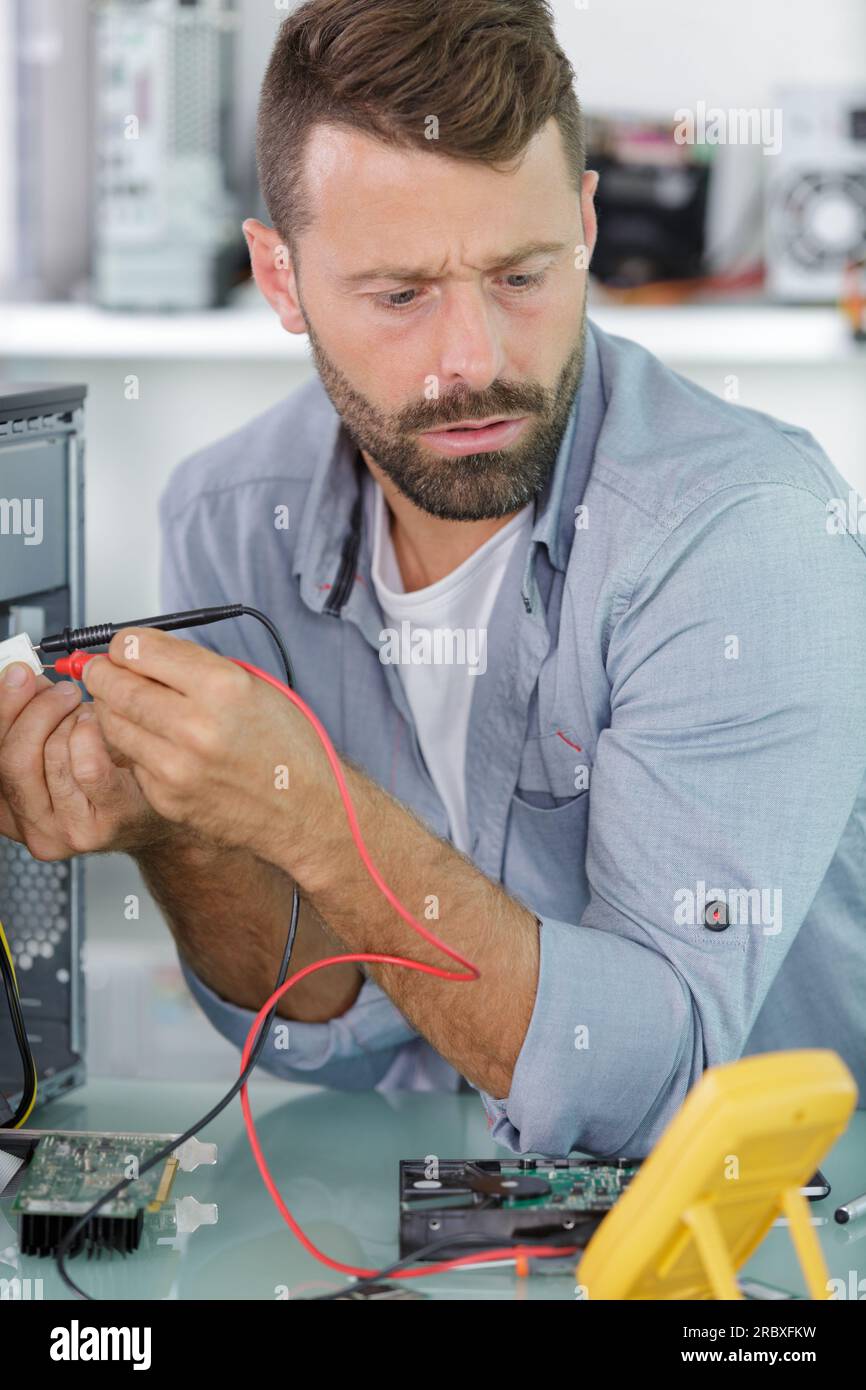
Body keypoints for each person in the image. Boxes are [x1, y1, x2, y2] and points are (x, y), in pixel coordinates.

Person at [1, 0, 864, 1159]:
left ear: (584, 226)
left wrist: (318, 817)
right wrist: (179, 828)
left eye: (519, 275)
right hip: (407, 1200)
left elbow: (656, 1088)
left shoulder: (742, 539)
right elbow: (318, 1024)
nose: (473, 360)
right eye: (400, 294)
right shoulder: (226, 517)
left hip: (756, 1219)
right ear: (279, 277)